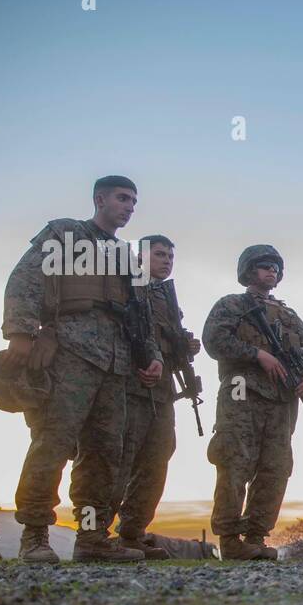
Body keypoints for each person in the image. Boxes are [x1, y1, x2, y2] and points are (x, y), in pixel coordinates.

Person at [1, 175, 162, 563]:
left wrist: (152, 355)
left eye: (134, 202)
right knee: (53, 441)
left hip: (116, 363)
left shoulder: (128, 256)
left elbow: (143, 312)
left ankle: (92, 538)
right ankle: (35, 534)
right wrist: (20, 334)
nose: (129, 207)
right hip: (69, 352)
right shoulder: (66, 233)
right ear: (99, 199)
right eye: (123, 198)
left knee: (105, 452)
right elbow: (24, 280)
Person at [203, 245, 303, 560]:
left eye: (276, 268)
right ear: (249, 270)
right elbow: (214, 340)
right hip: (242, 392)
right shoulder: (232, 305)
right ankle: (230, 539)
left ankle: (255, 537)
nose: (272, 272)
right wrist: (257, 354)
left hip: (282, 401)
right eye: (264, 266)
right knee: (235, 461)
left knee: (276, 467)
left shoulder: (289, 316)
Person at [110, 234, 199, 559]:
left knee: (158, 456)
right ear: (141, 256)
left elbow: (166, 339)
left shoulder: (166, 297)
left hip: (162, 391)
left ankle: (132, 533)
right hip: (129, 386)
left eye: (170, 256)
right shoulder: (125, 285)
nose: (166, 260)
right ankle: (94, 533)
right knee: (121, 457)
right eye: (159, 254)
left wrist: (184, 346)